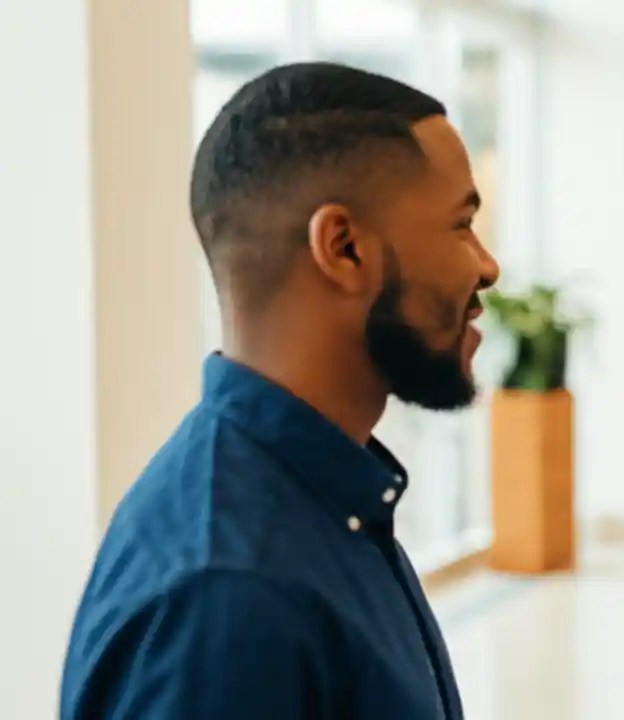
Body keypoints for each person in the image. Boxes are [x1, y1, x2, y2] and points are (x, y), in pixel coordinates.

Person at [60, 62, 498, 719]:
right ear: (344, 248)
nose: (487, 266)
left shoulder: (322, 503)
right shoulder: (230, 595)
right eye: (461, 225)